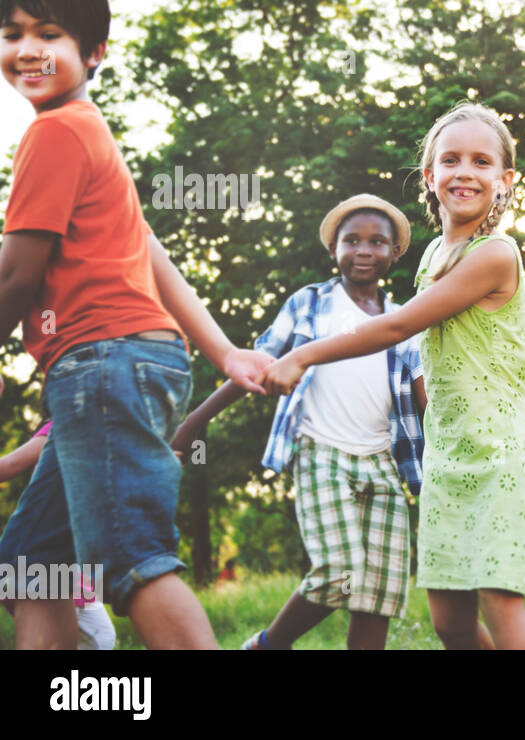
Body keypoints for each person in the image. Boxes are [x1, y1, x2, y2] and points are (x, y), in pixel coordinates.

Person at [0, 0, 271, 649]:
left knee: (128, 555)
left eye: (50, 34)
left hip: (104, 362)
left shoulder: (57, 132)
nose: (28, 49)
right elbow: (156, 257)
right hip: (128, 361)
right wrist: (226, 351)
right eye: (13, 34)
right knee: (32, 562)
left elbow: (17, 276)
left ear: (94, 53)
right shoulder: (91, 138)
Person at [262, 102, 525, 649]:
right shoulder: (436, 251)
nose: (465, 172)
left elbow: (398, 326)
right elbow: (510, 308)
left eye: (482, 162)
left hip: (500, 450)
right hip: (448, 453)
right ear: (429, 177)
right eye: (451, 160)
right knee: (450, 623)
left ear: (504, 181)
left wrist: (305, 354)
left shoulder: (497, 252)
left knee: (500, 604)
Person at [172, 195, 485, 650]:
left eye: (377, 242)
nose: (363, 250)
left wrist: (461, 455)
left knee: (378, 591)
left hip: (384, 462)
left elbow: (427, 402)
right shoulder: (311, 303)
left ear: (395, 253)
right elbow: (257, 364)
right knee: (336, 572)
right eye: (351, 240)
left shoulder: (405, 320)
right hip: (320, 451)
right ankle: (267, 645)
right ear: (333, 249)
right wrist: (195, 422)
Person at [0, 412, 116, 650]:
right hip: (40, 554)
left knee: (99, 638)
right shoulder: (61, 427)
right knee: (98, 638)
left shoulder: (107, 433)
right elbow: (7, 466)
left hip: (64, 557)